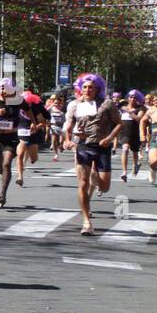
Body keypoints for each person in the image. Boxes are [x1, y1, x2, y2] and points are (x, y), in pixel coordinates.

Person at [62, 72, 121, 236]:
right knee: (82, 184)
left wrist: (109, 138)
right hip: (83, 147)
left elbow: (119, 124)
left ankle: (95, 179)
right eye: (85, 87)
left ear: (97, 89)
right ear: (81, 89)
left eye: (91, 87)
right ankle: (86, 221)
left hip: (102, 147)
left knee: (104, 186)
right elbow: (68, 125)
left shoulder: (107, 104)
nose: (87, 90)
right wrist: (67, 140)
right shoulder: (75, 105)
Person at [0, 77, 27, 207]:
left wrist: (33, 122)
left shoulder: (17, 100)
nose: (3, 90)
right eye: (1, 87)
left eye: (5, 88)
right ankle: (6, 176)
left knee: (6, 163)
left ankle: (3, 193)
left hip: (11, 137)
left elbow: (29, 108)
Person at [14, 92, 49, 188]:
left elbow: (43, 123)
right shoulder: (17, 110)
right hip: (21, 135)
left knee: (34, 159)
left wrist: (36, 127)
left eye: (28, 102)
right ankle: (20, 177)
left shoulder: (36, 110)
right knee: (19, 154)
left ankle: (29, 154)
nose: (26, 104)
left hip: (33, 136)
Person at [117, 89, 146, 183]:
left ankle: (135, 165)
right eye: (131, 97)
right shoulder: (122, 108)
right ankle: (124, 172)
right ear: (128, 98)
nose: (132, 99)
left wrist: (130, 112)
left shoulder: (140, 108)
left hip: (135, 133)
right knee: (125, 149)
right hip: (124, 133)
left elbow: (138, 119)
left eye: (134, 97)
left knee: (134, 152)